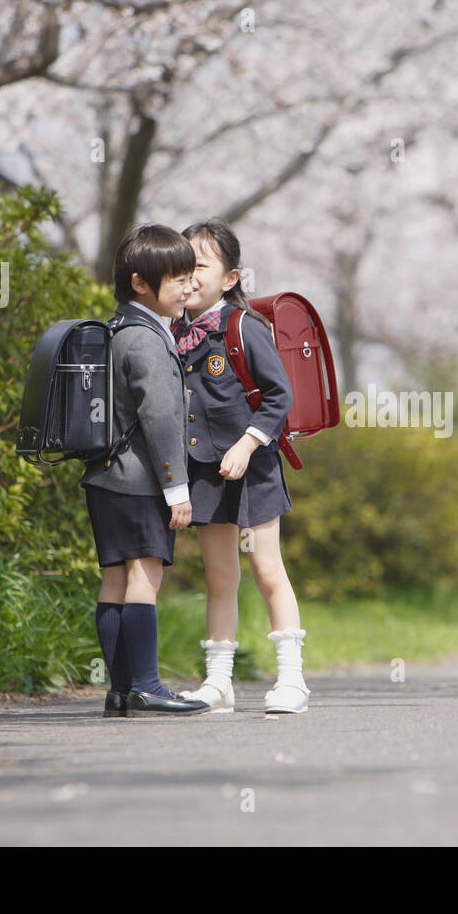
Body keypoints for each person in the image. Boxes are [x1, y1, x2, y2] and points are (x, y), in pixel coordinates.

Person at [170, 218, 310, 714]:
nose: (189, 276)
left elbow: (279, 397)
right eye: (183, 266)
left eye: (200, 266)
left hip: (253, 469)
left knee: (268, 568)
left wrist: (247, 445)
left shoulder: (243, 327)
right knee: (219, 577)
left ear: (230, 278)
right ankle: (219, 683)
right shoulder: (177, 334)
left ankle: (291, 679)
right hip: (204, 472)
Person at [80, 223, 209, 717]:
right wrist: (177, 488)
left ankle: (119, 690)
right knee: (144, 578)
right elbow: (159, 417)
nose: (188, 287)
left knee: (115, 579)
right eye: (177, 278)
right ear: (140, 283)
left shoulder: (116, 330)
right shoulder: (146, 340)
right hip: (138, 481)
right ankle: (149, 686)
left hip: (104, 477)